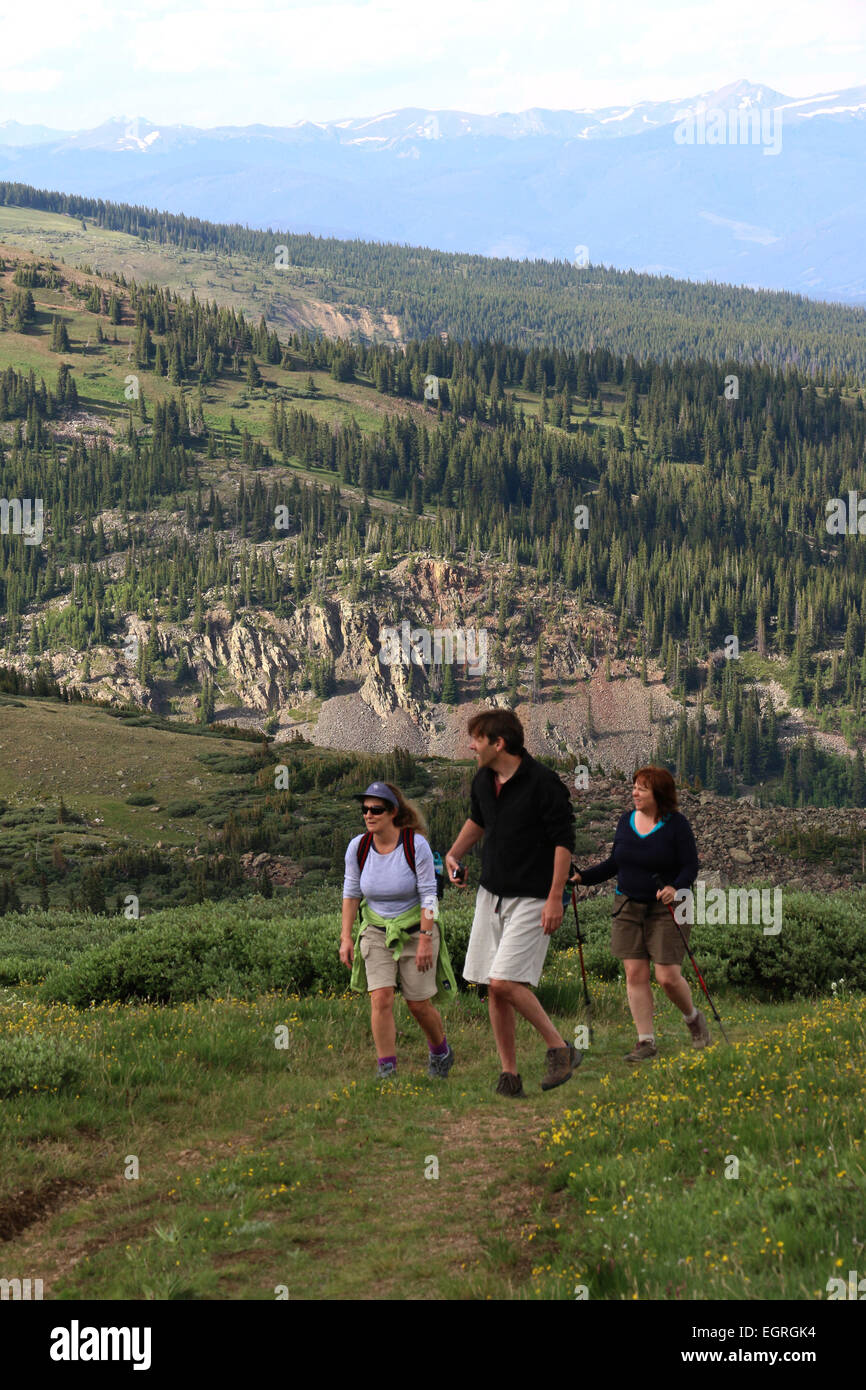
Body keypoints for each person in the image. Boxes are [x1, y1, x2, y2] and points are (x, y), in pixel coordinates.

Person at [445, 709, 580, 1097]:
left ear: (498, 743)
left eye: (476, 739)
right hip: (491, 894)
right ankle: (509, 1075)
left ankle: (559, 1048)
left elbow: (563, 843)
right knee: (493, 985)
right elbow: (479, 821)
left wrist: (556, 898)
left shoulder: (544, 784)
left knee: (504, 981)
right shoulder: (484, 780)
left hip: (535, 897)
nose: (470, 745)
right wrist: (454, 855)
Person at [570, 765, 708, 1061]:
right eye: (634, 786)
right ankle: (646, 1042)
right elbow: (615, 863)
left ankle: (693, 1018)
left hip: (668, 908)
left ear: (659, 794)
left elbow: (690, 866)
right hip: (627, 904)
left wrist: (676, 887)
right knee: (635, 972)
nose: (634, 792)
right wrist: (583, 878)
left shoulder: (677, 825)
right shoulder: (625, 821)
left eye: (641, 788)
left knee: (667, 976)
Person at [339, 781, 456, 1080]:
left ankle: (440, 1051)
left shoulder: (415, 845)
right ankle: (386, 1067)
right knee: (381, 998)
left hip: (417, 929)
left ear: (393, 812)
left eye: (375, 809)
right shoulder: (358, 847)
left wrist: (426, 939)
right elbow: (351, 893)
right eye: (364, 809)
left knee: (418, 1004)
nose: (368, 815)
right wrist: (346, 937)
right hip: (376, 930)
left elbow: (429, 895)